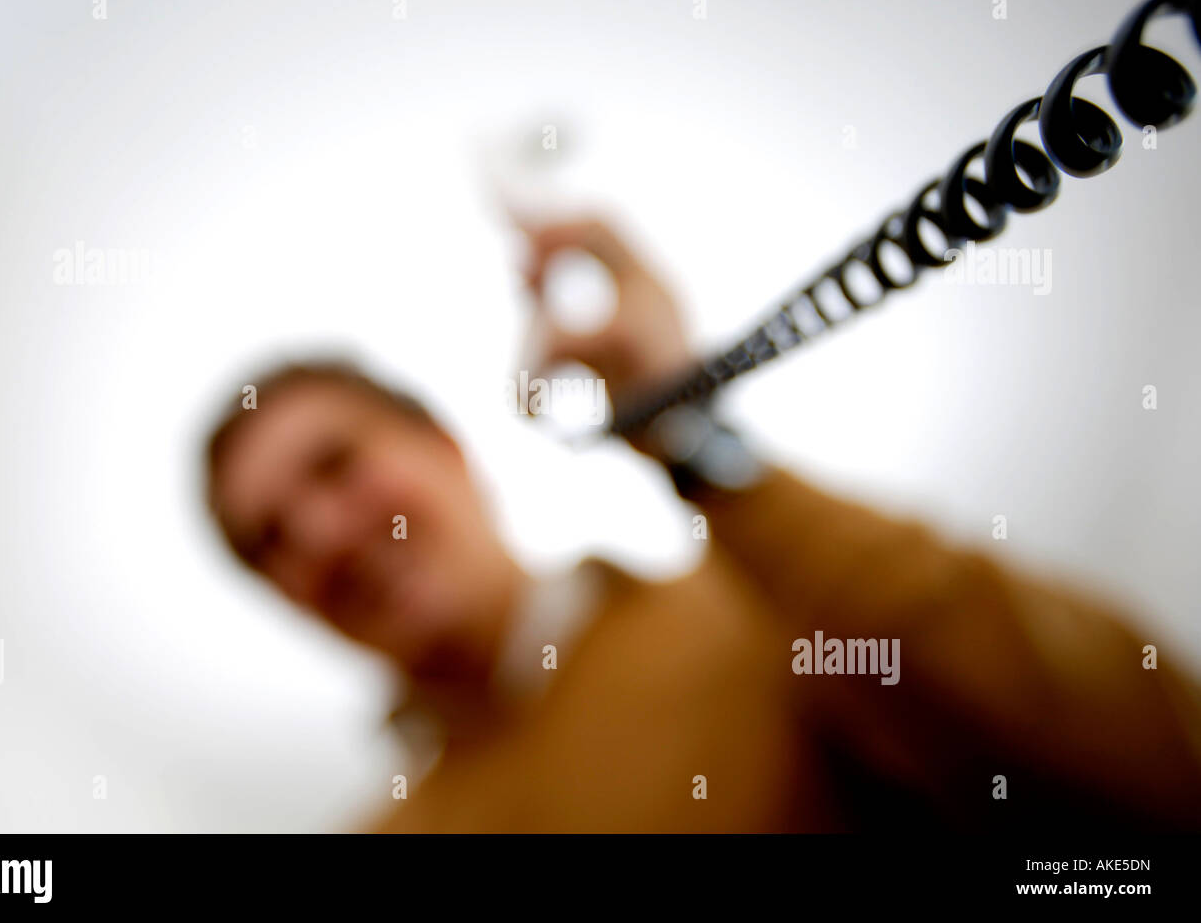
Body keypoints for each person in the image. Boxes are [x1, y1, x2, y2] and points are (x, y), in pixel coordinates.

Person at [202, 218, 1201, 832]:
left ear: (448, 448)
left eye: (334, 463)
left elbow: (1142, 758)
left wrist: (688, 433)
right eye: (271, 541)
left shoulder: (761, 615)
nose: (322, 535)